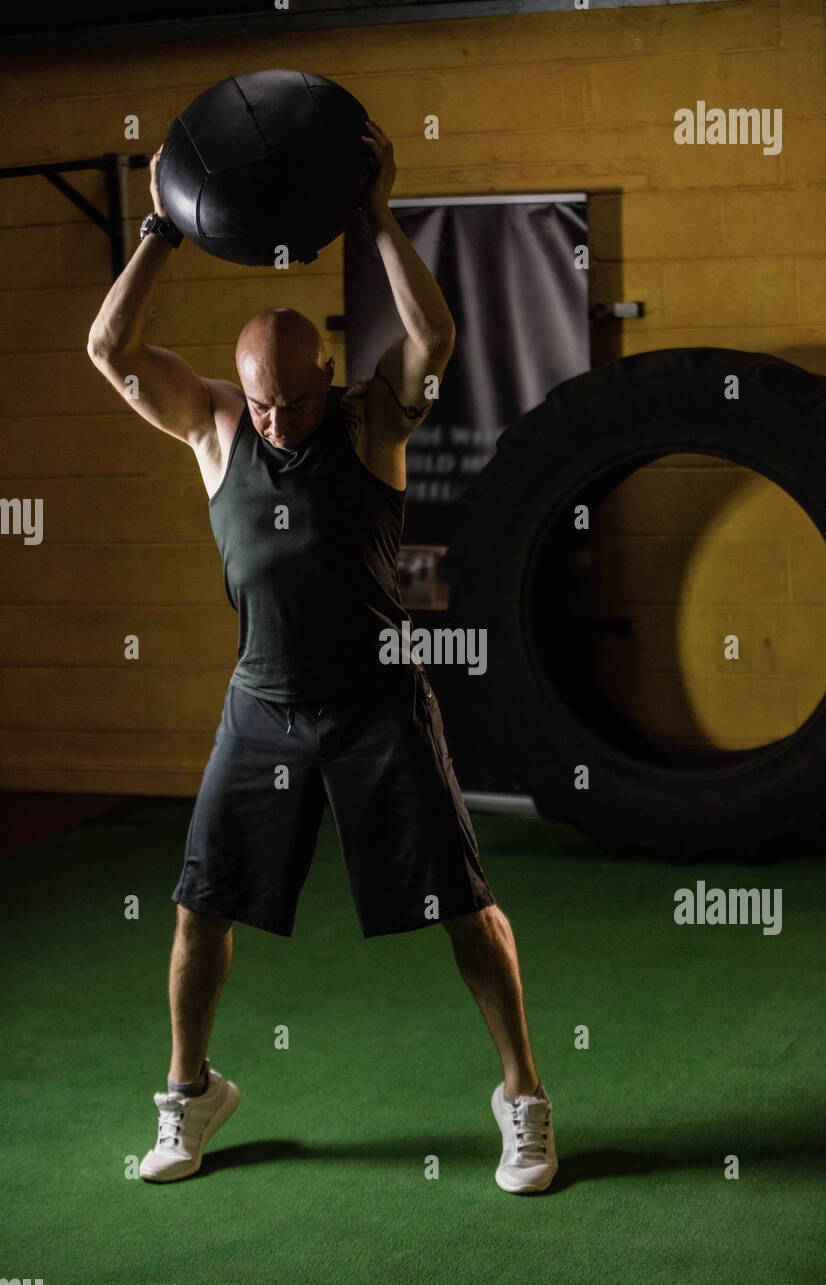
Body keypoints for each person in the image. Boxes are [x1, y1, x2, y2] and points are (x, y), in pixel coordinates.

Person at [86, 118, 557, 1195]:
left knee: (464, 901)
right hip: (260, 707)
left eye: (292, 399)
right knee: (200, 906)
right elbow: (109, 355)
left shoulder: (368, 420)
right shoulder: (211, 427)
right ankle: (190, 1091)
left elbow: (434, 340)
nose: (277, 419)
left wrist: (379, 215)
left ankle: (523, 1097)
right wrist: (161, 225)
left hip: (375, 705)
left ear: (326, 375)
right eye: (261, 400)